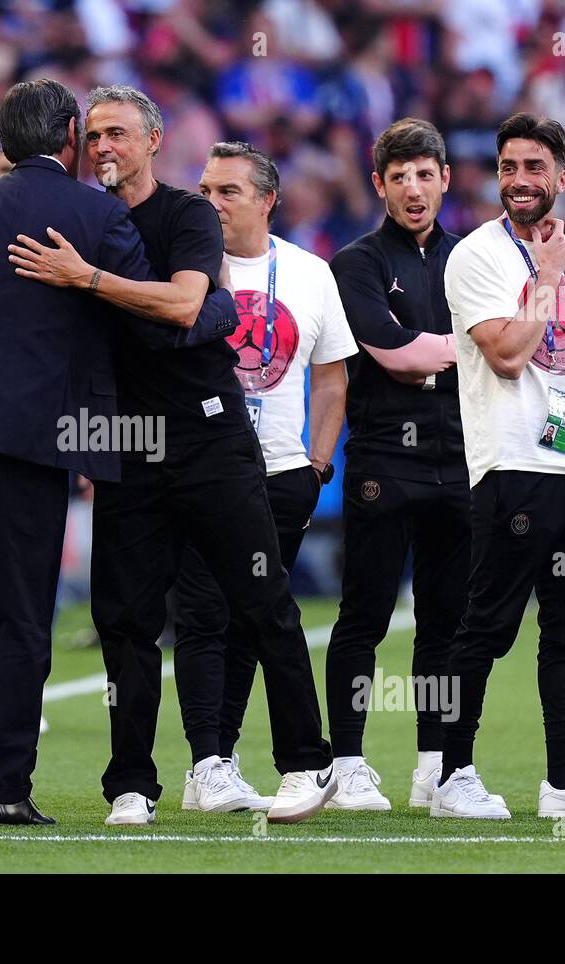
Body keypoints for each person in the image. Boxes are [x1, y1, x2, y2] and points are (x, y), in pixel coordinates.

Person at [0, 78, 235, 828]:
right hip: (37, 441)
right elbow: (147, 319)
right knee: (23, 617)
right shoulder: (97, 215)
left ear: (3, 142)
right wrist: (215, 309)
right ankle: (6, 792)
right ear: (69, 134)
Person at [1, 85, 338, 825]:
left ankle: (306, 765)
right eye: (94, 137)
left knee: (263, 600)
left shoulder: (188, 213)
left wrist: (89, 280)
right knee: (126, 619)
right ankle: (131, 785)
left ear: (154, 141)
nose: (104, 148)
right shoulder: (79, 219)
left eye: (119, 133)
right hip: (125, 438)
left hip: (209, 430)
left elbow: (190, 305)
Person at [434, 112, 565, 819]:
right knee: (485, 628)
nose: (519, 182)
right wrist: (548, 275)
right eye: (507, 168)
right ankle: (452, 776)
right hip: (513, 466)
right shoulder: (475, 257)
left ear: (562, 178)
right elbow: (507, 353)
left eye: (533, 169)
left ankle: (564, 782)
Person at [168, 141, 356, 814]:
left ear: (268, 201)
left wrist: (318, 465)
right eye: (205, 189)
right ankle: (208, 761)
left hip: (279, 471)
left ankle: (220, 759)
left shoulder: (310, 274)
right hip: (197, 466)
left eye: (229, 192)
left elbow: (333, 378)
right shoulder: (182, 266)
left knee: (254, 620)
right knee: (200, 614)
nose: (211, 203)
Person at [322, 119, 478, 811]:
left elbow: (502, 351)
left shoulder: (475, 259)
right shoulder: (355, 263)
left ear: (445, 177)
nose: (414, 190)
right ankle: (348, 762)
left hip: (461, 459)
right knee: (365, 616)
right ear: (379, 182)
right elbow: (390, 351)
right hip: (384, 459)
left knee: (446, 620)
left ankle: (435, 767)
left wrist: (430, 354)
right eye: (399, 177)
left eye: (425, 174)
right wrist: (452, 353)